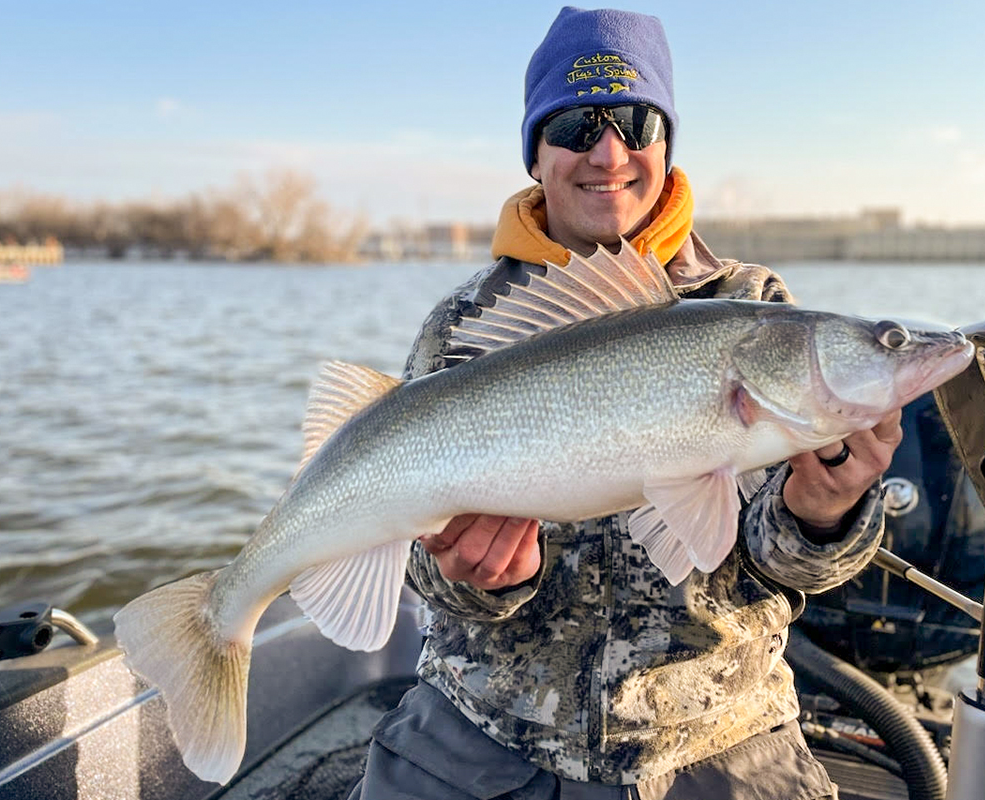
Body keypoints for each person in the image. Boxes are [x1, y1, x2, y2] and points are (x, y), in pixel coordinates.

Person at [350, 7, 901, 799]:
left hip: (719, 735)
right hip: (489, 730)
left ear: (666, 144)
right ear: (536, 154)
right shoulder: (465, 329)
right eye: (575, 125)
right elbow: (414, 563)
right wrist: (478, 579)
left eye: (636, 121)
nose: (607, 152)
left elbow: (789, 568)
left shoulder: (756, 306)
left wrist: (825, 515)